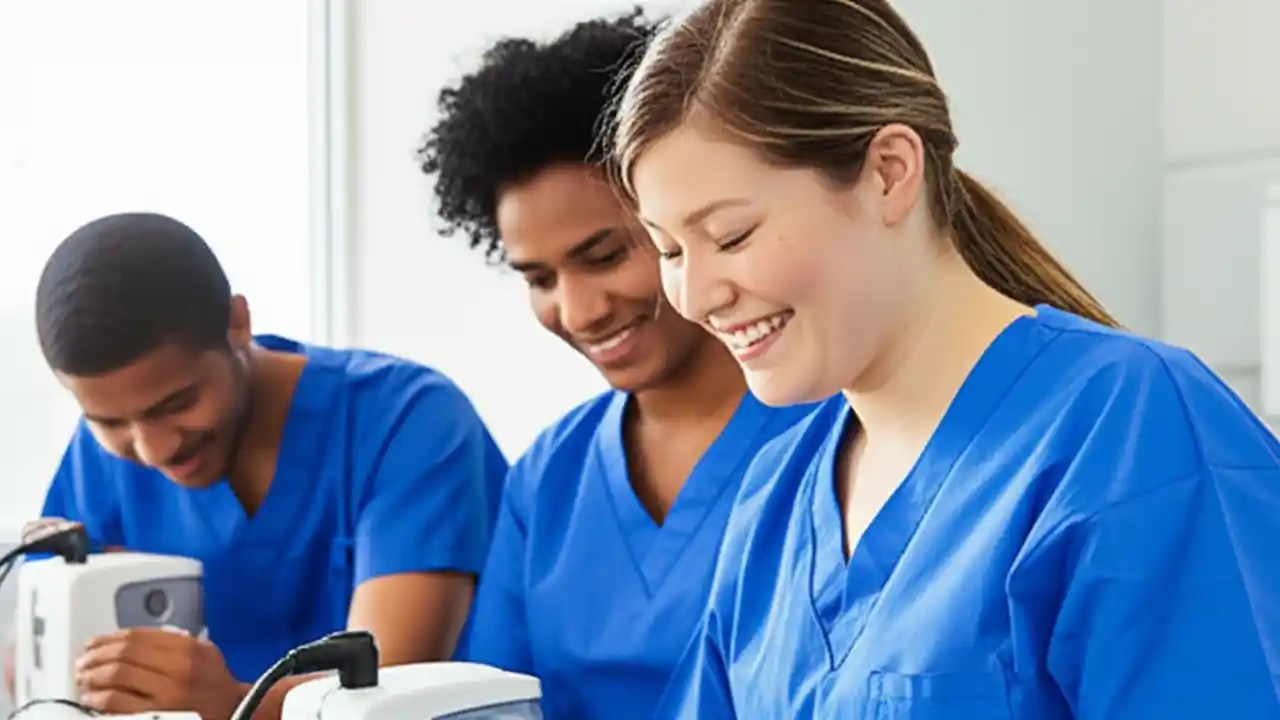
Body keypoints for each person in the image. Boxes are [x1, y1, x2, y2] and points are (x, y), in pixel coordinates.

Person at [609, 0, 1280, 717]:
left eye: (732, 236)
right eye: (670, 250)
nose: (694, 296)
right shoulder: (774, 500)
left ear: (890, 172)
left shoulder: (1134, 432)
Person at [417, 9, 817, 720]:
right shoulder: (550, 478)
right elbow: (492, 701)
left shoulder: (836, 428)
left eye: (604, 257)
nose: (579, 312)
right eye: (540, 278)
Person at [11, 212, 508, 720]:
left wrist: (232, 705)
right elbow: (31, 668)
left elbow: (386, 694)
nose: (154, 449)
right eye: (110, 422)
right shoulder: (96, 458)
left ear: (237, 324)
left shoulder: (408, 422)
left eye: (177, 403)